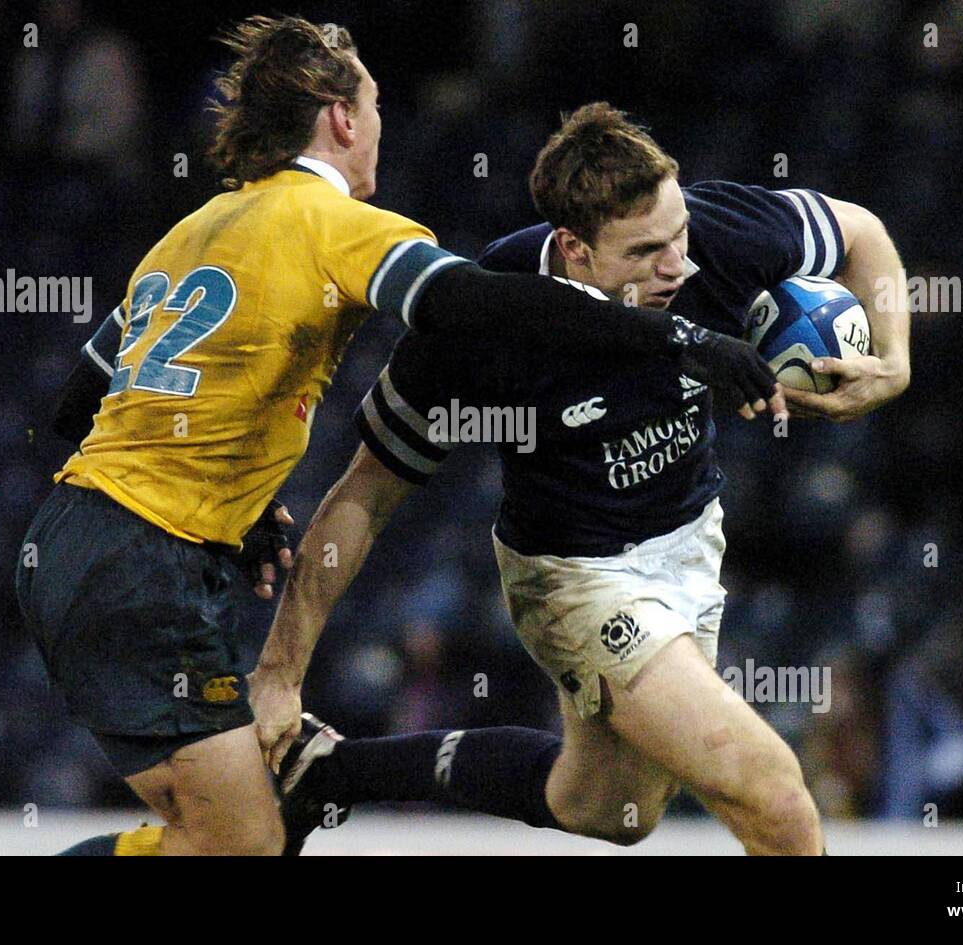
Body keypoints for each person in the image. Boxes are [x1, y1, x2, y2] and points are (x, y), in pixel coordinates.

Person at [21, 21, 777, 857]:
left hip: (76, 538)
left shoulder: (191, 232)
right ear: (341, 119)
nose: (382, 123)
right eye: (375, 103)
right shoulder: (333, 221)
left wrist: (235, 500)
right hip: (139, 563)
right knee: (238, 843)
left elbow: (80, 403)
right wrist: (685, 340)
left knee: (239, 839)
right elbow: (478, 302)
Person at [253, 103, 910, 855]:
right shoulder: (481, 319)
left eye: (679, 237)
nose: (678, 267)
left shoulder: (715, 235)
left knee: (607, 805)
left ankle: (328, 773)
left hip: (691, 539)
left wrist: (893, 363)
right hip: (575, 574)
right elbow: (363, 496)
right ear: (573, 247)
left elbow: (861, 232)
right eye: (644, 254)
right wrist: (278, 675)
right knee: (772, 793)